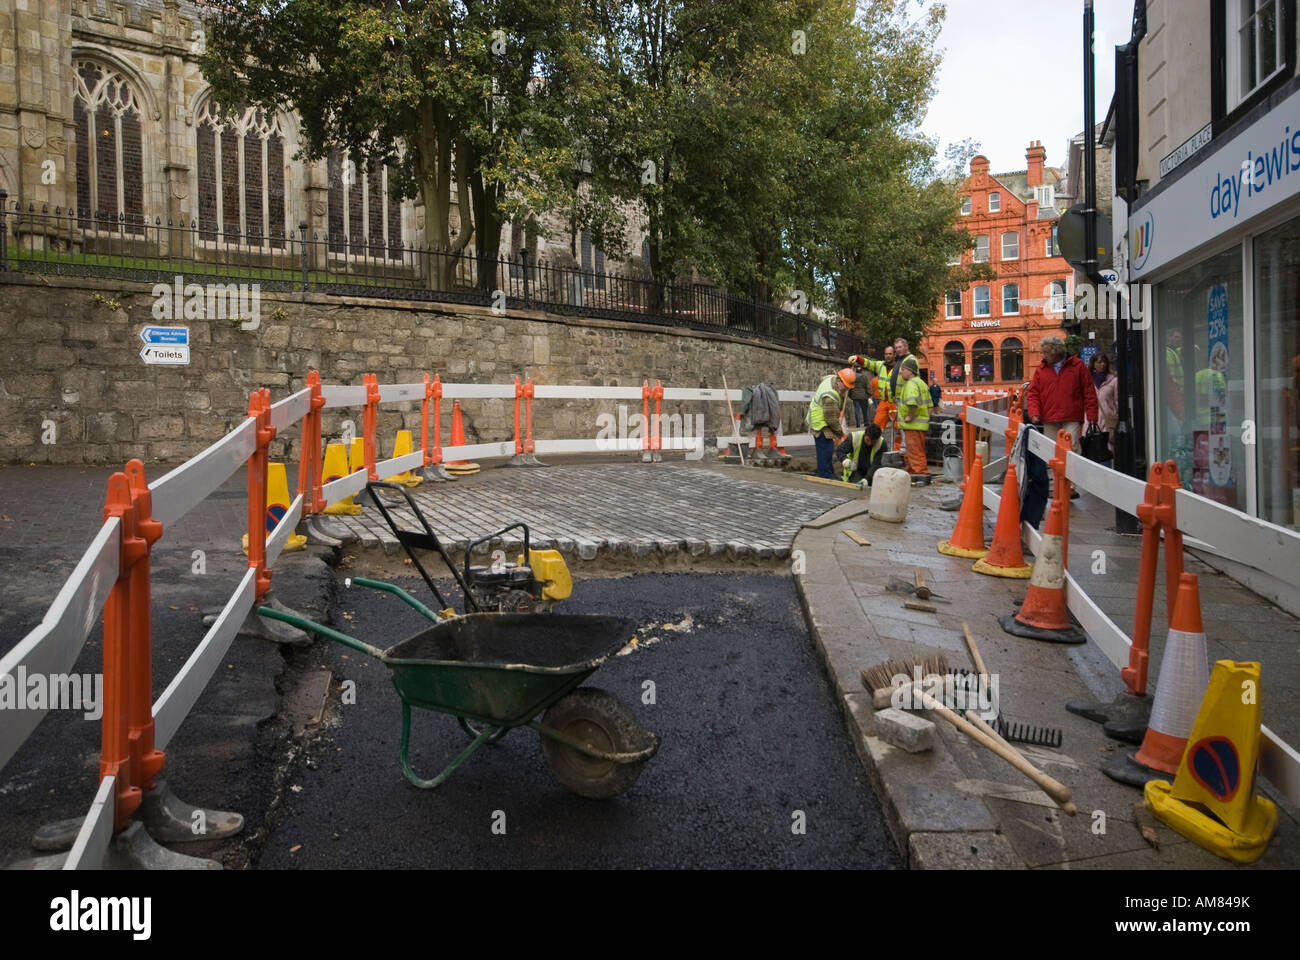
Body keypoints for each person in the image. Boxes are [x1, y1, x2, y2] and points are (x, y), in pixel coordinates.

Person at [1025, 336, 1098, 451]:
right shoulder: (1041, 370)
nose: (1043, 356)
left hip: (1071, 416)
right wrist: (1034, 412)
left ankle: (1072, 470)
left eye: (1046, 353)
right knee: (1050, 451)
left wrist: (1092, 415)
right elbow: (1033, 393)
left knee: (1071, 447)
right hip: (1050, 418)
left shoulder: (1078, 366)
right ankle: (1053, 470)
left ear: (1056, 352)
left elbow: (1089, 392)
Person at [809, 366, 855, 479]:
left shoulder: (831, 379)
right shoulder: (830, 396)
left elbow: (824, 378)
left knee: (825, 449)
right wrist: (841, 433)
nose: (846, 389)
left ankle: (826, 471)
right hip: (821, 423)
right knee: (825, 450)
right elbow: (832, 420)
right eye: (845, 386)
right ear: (839, 381)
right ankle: (826, 475)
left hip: (821, 419)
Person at [896, 356, 931, 476]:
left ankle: (920, 473)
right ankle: (911, 471)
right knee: (914, 451)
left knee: (915, 452)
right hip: (920, 425)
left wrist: (909, 417)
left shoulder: (911, 384)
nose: (901, 372)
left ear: (910, 371)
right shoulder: (922, 384)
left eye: (903, 369)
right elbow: (930, 406)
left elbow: (912, 403)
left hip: (913, 425)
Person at [1092, 353, 1118, 452]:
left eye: (1104, 362)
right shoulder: (1088, 380)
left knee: (1108, 450)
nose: (1102, 365)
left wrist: (1116, 417)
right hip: (1092, 421)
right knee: (1092, 450)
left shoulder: (1114, 381)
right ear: (1093, 364)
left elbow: (1117, 401)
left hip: (1108, 421)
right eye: (1099, 362)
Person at [873, 345, 897, 447]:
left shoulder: (899, 367)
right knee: (876, 425)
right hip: (884, 401)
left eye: (890, 354)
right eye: (886, 354)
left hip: (895, 402)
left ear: (894, 355)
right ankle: (875, 448)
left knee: (898, 427)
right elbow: (869, 363)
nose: (888, 356)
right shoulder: (881, 365)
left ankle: (898, 451)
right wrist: (858, 358)